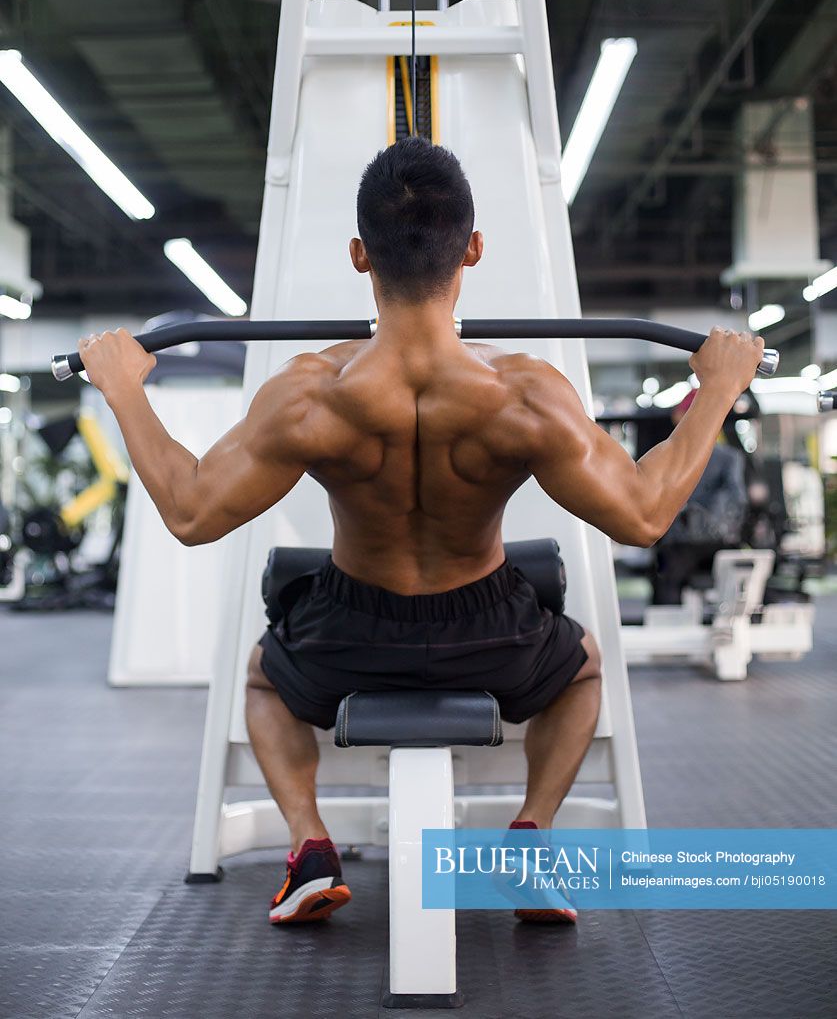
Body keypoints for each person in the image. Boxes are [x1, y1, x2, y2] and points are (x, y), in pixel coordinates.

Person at [77, 137, 764, 926]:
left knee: (264, 675)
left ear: (359, 255)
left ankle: (309, 847)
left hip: (348, 625)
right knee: (581, 672)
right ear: (472, 248)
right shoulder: (522, 394)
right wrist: (714, 389)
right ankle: (528, 838)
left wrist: (125, 388)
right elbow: (642, 512)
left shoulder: (310, 392)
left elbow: (192, 511)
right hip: (488, 623)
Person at [651, 389, 748, 606]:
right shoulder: (728, 457)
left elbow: (736, 498)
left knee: (667, 578)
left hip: (690, 542)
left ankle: (667, 619)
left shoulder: (670, 456)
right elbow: (737, 498)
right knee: (667, 575)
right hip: (704, 540)